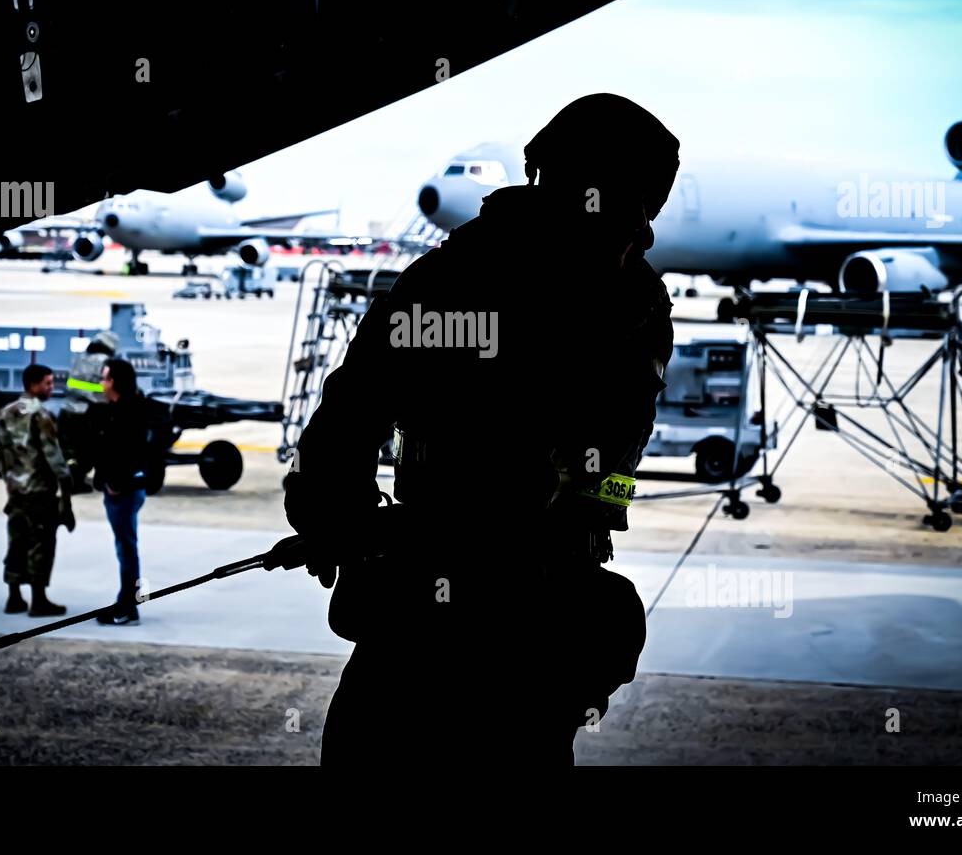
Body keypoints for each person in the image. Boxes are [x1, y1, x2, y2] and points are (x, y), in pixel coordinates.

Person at [283, 93, 678, 765]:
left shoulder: (637, 306)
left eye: (642, 216)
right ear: (558, 187)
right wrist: (338, 521)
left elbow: (620, 455)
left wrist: (587, 530)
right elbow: (350, 414)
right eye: (621, 207)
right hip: (430, 604)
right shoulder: (455, 282)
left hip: (542, 620)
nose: (635, 235)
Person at [90, 357, 170, 626]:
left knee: (126, 549)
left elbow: (130, 452)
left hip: (123, 492)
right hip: (123, 489)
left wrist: (116, 483)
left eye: (104, 378)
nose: (101, 383)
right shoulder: (122, 408)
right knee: (125, 547)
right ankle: (125, 601)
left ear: (114, 382)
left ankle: (128, 607)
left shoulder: (127, 413)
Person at [0, 363, 74, 617]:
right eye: (47, 383)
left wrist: (9, 481)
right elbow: (54, 457)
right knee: (41, 543)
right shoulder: (41, 415)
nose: (52, 387)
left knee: (16, 541)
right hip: (39, 490)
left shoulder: (6, 412)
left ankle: (14, 597)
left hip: (16, 489)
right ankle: (39, 600)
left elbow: (0, 454)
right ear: (33, 385)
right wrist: (66, 488)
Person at [59, 330, 119, 493]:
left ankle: (74, 481)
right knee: (93, 450)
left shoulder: (79, 359)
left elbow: (71, 384)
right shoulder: (107, 362)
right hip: (90, 413)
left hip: (68, 410)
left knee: (71, 451)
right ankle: (90, 481)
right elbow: (106, 389)